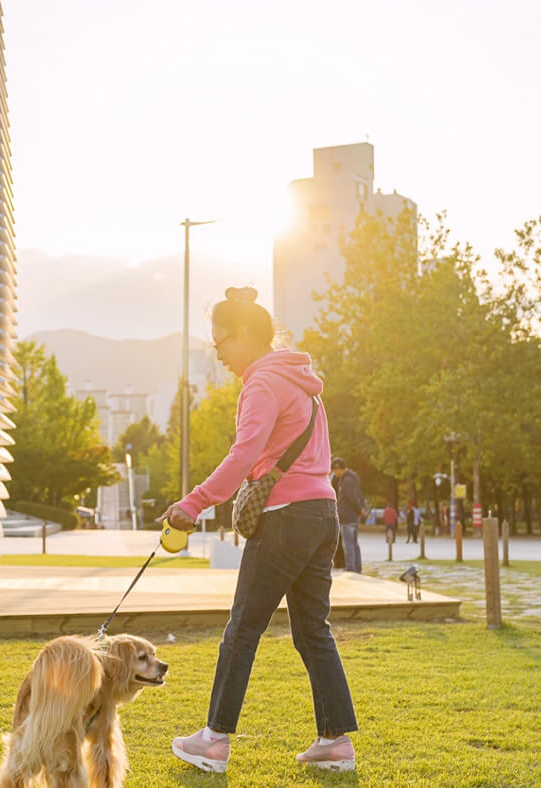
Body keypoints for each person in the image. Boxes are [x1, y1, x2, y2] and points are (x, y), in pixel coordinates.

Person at [164, 287, 358, 774]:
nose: (220, 353)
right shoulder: (302, 382)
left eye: (221, 341)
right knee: (313, 630)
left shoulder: (262, 383)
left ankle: (214, 741)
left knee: (242, 629)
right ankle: (334, 743)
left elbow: (244, 455)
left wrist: (194, 503)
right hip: (322, 515)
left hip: (286, 517)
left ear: (246, 335)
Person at [332, 458, 365, 572]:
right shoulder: (351, 478)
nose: (334, 474)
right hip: (352, 516)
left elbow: (352, 498)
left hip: (347, 516)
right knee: (354, 543)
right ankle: (357, 567)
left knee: (348, 543)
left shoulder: (346, 481)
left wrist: (359, 509)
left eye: (334, 470)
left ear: (338, 468)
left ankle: (351, 566)